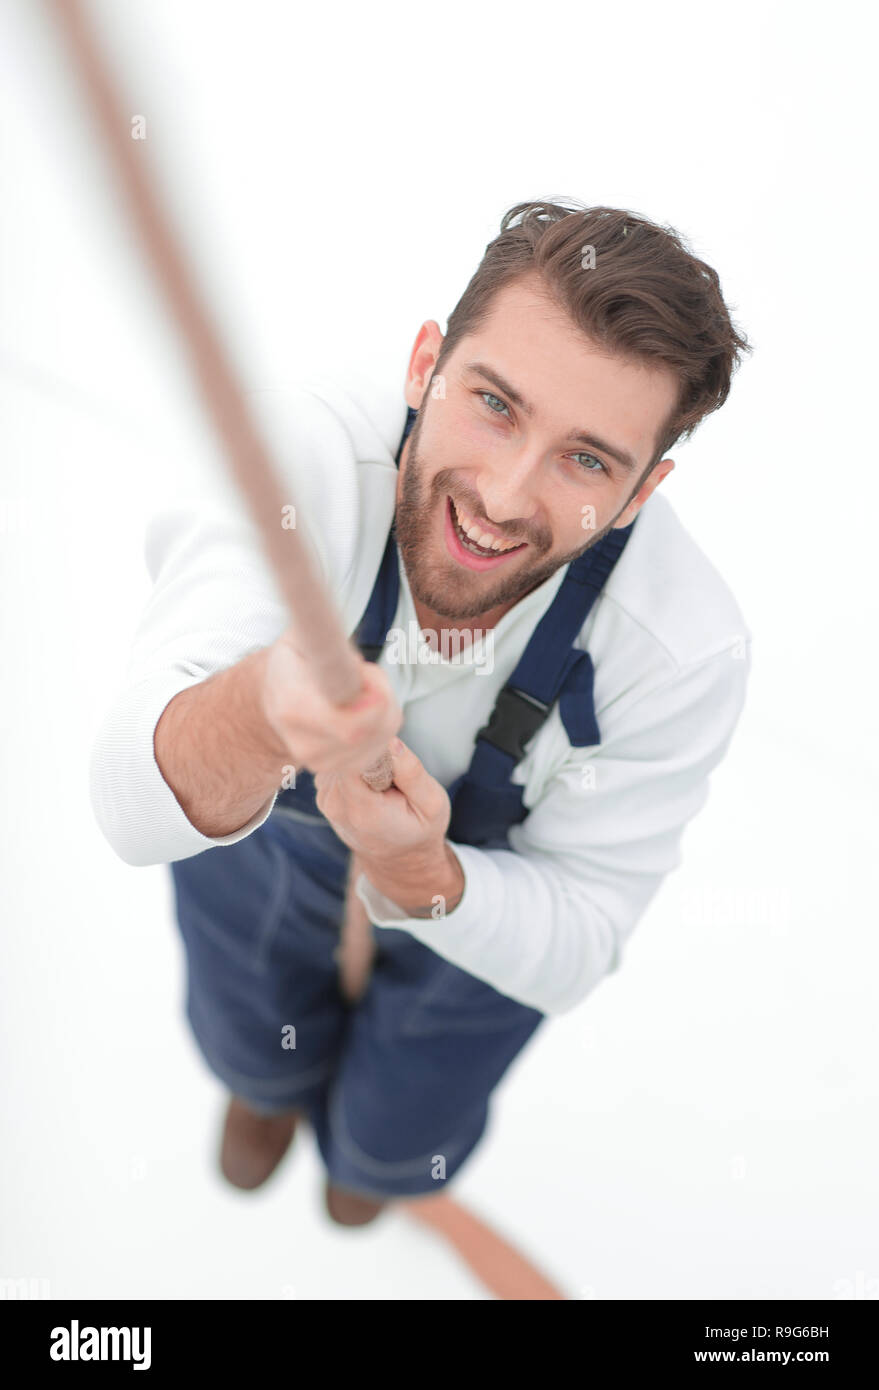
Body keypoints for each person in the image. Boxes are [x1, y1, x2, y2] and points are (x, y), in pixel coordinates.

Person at [90, 200, 753, 1227]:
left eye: (587, 460)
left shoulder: (681, 648)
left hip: (477, 921)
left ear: (640, 492)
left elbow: (578, 934)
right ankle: (265, 1086)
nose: (501, 494)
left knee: (403, 1129)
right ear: (424, 366)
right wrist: (265, 711)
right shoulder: (295, 463)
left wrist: (420, 875)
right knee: (250, 1022)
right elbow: (131, 802)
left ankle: (371, 1164)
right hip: (265, 854)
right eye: (494, 403)